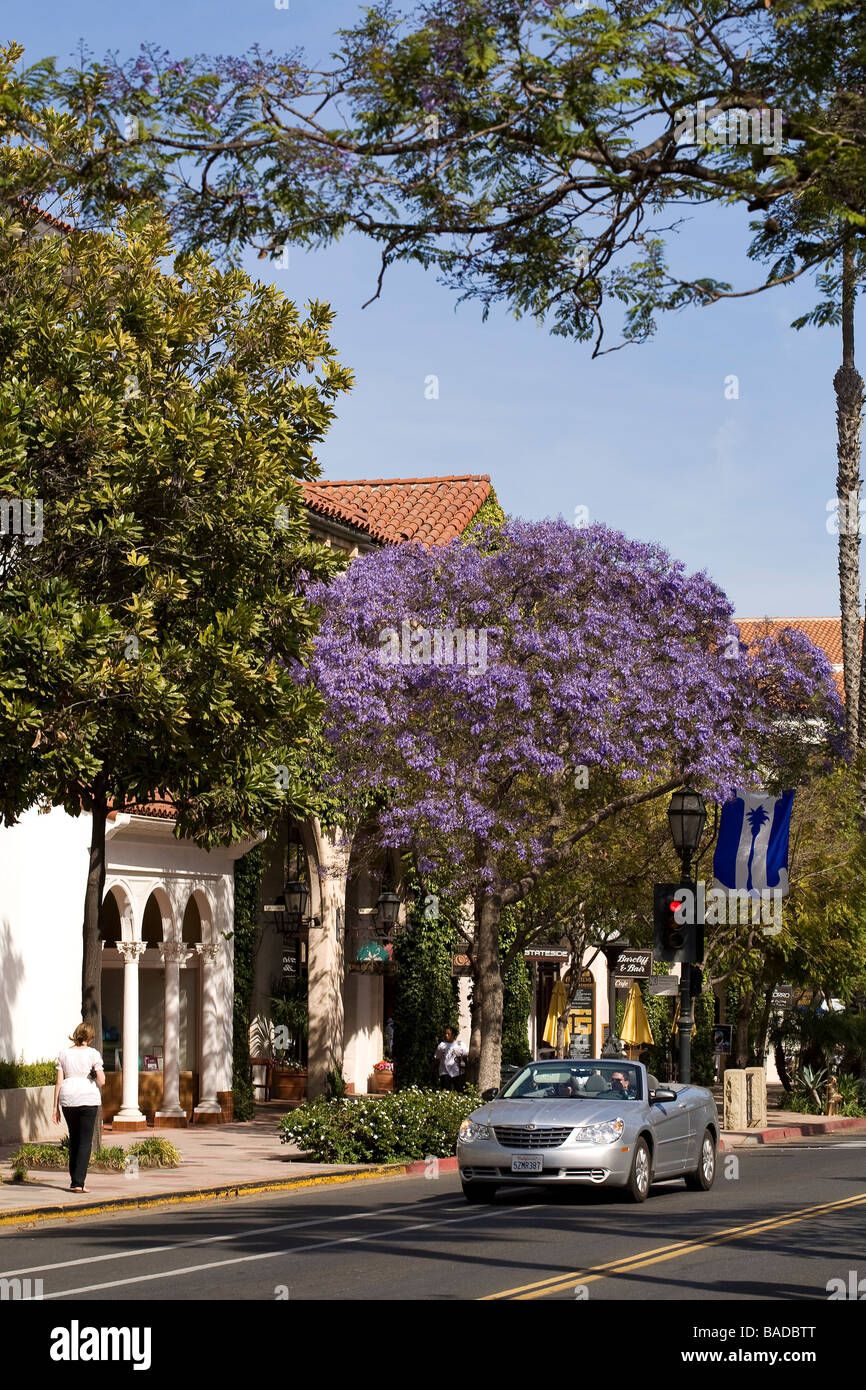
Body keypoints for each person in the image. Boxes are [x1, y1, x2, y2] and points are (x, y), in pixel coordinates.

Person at [52, 1022, 105, 1192]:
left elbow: (58, 1082)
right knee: (85, 1141)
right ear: (90, 1037)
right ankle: (78, 1182)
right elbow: (102, 1081)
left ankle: (74, 1180)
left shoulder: (64, 1053)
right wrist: (93, 1074)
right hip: (88, 1097)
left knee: (74, 1139)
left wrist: (55, 1108)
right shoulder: (93, 1054)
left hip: (68, 1098)